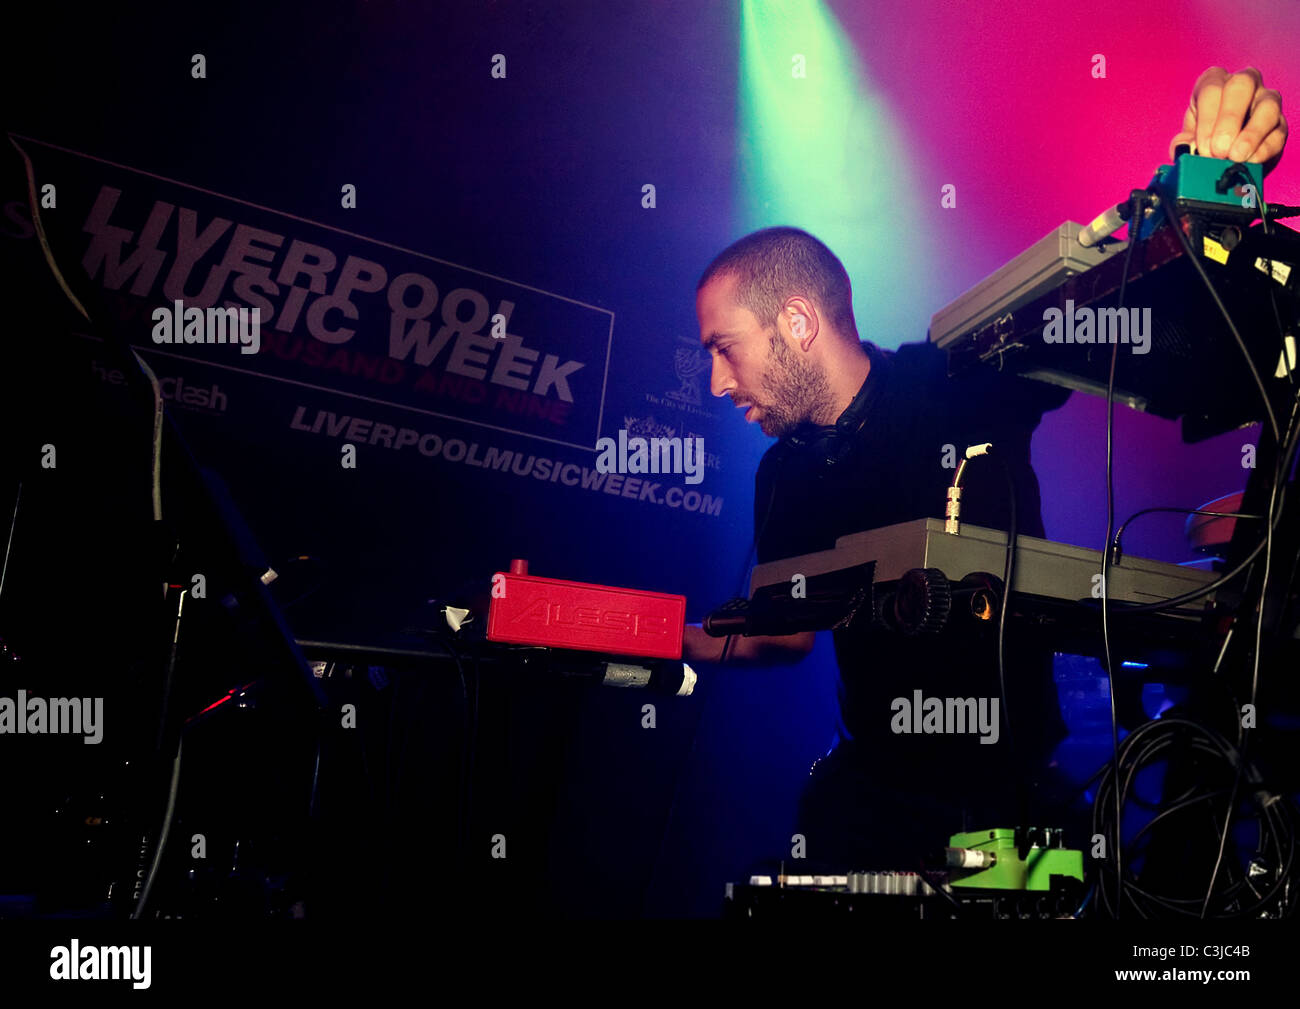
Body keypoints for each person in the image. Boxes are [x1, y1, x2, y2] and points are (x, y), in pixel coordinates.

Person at [682, 66, 1288, 869]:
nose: (718, 383)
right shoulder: (783, 472)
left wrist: (1204, 177)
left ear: (795, 321)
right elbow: (788, 635)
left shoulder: (954, 375)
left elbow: (1098, 290)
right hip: (872, 793)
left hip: (1013, 797)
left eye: (723, 349)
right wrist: (658, 637)